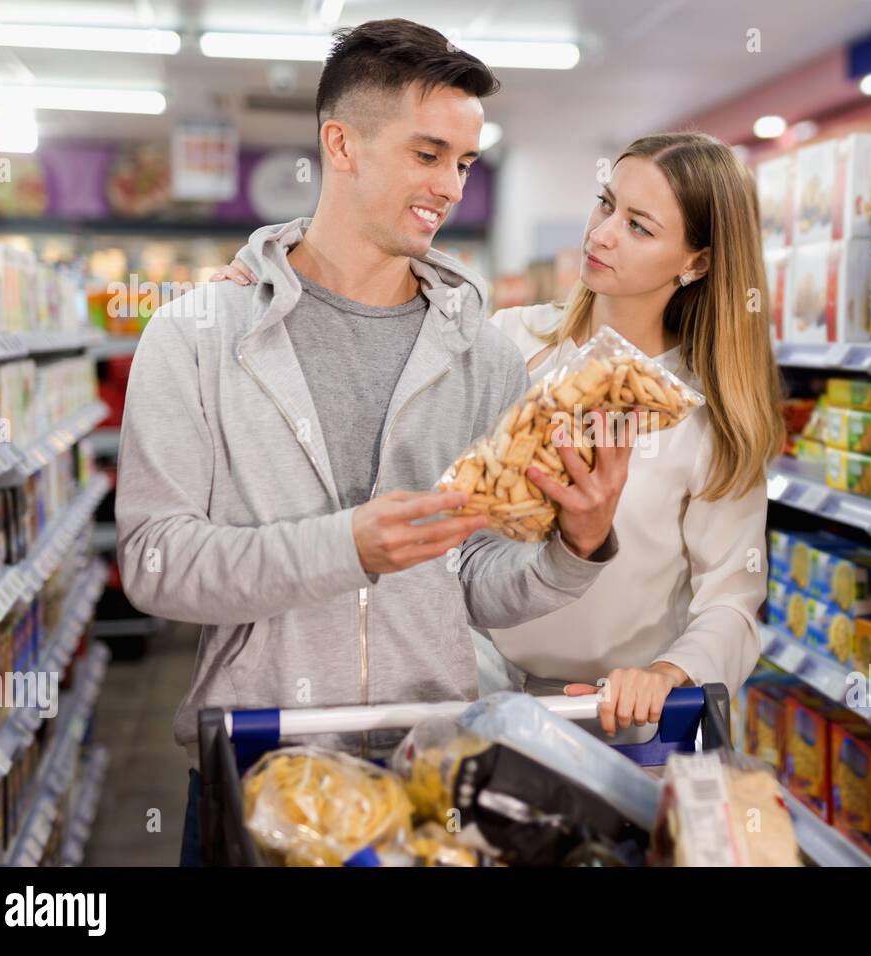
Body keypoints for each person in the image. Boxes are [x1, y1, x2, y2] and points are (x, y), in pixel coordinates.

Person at [115, 19, 630, 866]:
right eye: (428, 154)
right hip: (256, 771)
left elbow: (474, 586)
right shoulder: (197, 336)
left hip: (431, 774)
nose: (452, 186)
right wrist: (346, 547)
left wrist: (577, 546)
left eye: (465, 162)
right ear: (341, 143)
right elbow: (157, 564)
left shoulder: (485, 356)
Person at [216, 130, 784, 741]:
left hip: (623, 720)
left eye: (639, 227)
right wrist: (279, 291)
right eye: (605, 202)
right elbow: (369, 359)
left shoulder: (709, 416)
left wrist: (671, 672)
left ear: (696, 262)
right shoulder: (506, 341)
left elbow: (732, 599)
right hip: (473, 697)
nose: (602, 233)